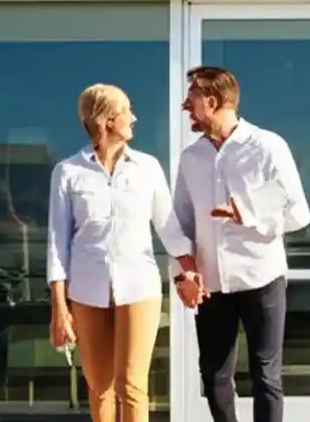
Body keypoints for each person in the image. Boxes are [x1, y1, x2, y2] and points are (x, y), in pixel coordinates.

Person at [47, 83, 200, 422]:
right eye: (126, 110)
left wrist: (188, 270)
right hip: (86, 291)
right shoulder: (68, 172)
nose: (134, 117)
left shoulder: (147, 167)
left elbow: (169, 226)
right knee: (99, 387)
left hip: (139, 289)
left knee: (131, 385)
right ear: (106, 120)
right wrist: (60, 307)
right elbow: (58, 243)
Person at [171, 66, 310, 422]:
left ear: (213, 100)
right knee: (214, 375)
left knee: (266, 375)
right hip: (212, 284)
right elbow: (181, 222)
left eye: (192, 97)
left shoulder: (267, 147)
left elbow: (300, 214)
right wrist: (181, 275)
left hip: (261, 278)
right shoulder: (191, 158)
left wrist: (247, 213)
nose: (185, 105)